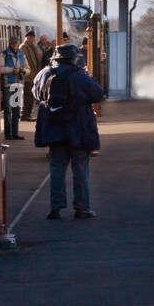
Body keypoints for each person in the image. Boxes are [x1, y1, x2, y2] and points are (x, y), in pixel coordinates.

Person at [33, 43, 105, 220]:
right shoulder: (79, 76)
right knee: (80, 168)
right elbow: (97, 94)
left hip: (54, 128)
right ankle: (82, 208)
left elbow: (36, 94)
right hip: (78, 128)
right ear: (73, 58)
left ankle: (55, 207)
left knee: (57, 168)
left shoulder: (45, 73)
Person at [1, 35, 27, 140]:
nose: (15, 45)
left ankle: (15, 133)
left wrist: (23, 71)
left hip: (18, 84)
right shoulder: (4, 54)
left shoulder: (21, 54)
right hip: (8, 85)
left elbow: (27, 68)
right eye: (13, 43)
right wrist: (12, 70)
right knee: (8, 110)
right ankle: (8, 134)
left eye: (16, 43)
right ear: (10, 44)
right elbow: (0, 69)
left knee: (16, 110)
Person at [19, 29, 42, 121]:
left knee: (30, 95)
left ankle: (28, 113)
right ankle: (25, 114)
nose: (32, 39)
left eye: (33, 37)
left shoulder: (33, 47)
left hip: (33, 75)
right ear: (27, 38)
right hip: (27, 75)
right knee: (27, 95)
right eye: (30, 37)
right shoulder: (23, 47)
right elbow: (25, 61)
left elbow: (38, 58)